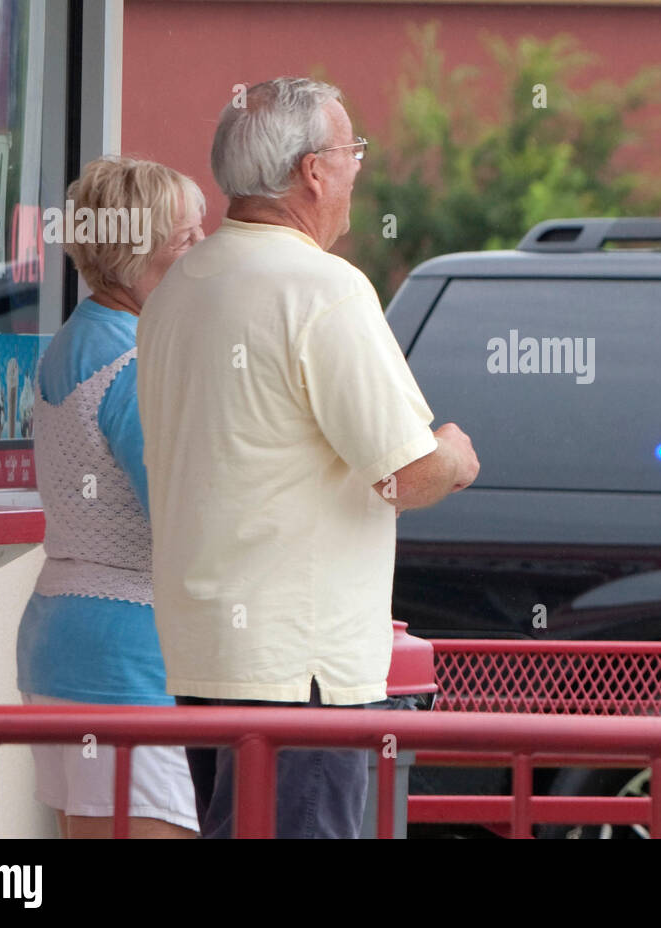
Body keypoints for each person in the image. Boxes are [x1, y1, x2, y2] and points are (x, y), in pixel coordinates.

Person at [136, 77, 479, 839]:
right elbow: (407, 470)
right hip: (300, 666)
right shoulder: (324, 289)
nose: (359, 167)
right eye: (350, 150)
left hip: (204, 651)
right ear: (312, 172)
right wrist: (453, 454)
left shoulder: (177, 289)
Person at [16, 156, 206, 838]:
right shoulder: (138, 367)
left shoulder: (75, 341)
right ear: (140, 251)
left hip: (59, 646)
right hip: (129, 664)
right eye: (188, 238)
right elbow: (189, 525)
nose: (202, 252)